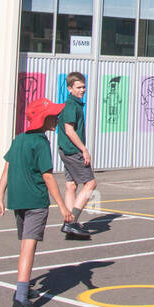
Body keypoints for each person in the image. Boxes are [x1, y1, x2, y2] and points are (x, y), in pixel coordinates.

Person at [0, 97, 75, 307]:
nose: (57, 118)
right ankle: (20, 298)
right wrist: (62, 206)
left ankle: (24, 286)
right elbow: (47, 176)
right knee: (29, 247)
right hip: (35, 201)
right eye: (53, 116)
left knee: (25, 245)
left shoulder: (19, 139)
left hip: (17, 201)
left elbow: (6, 168)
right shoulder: (40, 142)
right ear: (44, 119)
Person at [55, 72, 93, 240]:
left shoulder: (76, 104)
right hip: (72, 151)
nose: (82, 90)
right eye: (78, 87)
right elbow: (69, 130)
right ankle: (72, 222)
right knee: (91, 183)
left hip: (66, 150)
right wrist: (83, 149)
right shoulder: (71, 106)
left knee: (71, 185)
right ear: (70, 89)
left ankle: (69, 220)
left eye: (83, 87)